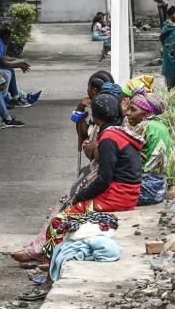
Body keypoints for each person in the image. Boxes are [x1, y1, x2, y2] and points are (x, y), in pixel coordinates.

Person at [10, 92, 143, 266]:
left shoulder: (109, 139)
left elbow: (104, 178)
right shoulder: (118, 132)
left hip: (118, 196)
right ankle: (42, 254)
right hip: (124, 193)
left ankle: (49, 259)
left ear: (95, 118)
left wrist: (81, 197)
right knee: (67, 207)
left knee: (62, 218)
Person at [122, 88, 169, 205]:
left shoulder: (144, 126)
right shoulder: (160, 125)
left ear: (147, 113)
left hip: (145, 187)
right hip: (159, 186)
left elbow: (121, 146)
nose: (128, 113)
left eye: (133, 110)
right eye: (128, 109)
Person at [0, 29, 41, 106]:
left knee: (8, 74)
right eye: (9, 37)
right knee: (8, 73)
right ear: (6, 37)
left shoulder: (1, 43)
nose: (10, 40)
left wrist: (19, 64)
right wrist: (19, 65)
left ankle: (24, 97)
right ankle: (10, 99)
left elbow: (2, 61)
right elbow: (2, 63)